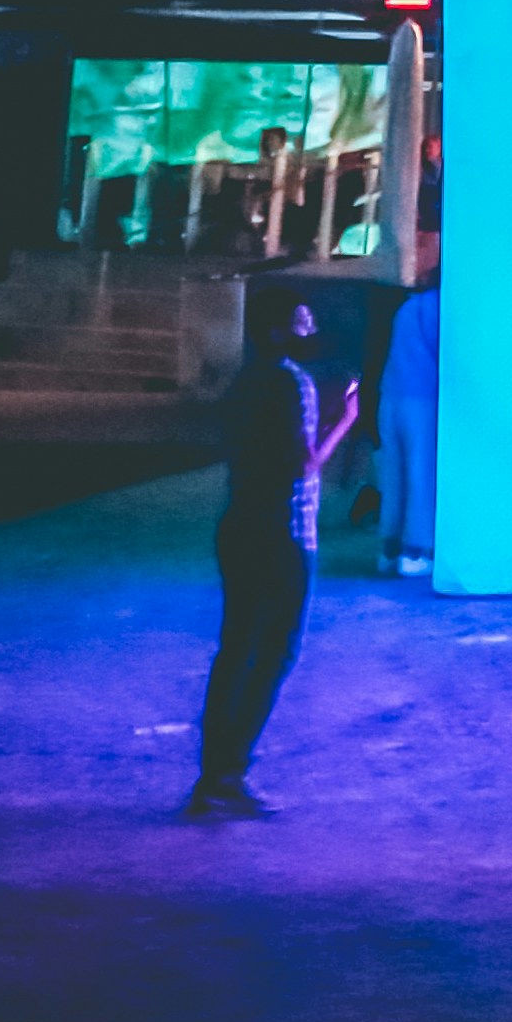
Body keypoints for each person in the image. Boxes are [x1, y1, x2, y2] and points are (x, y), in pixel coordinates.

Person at [185, 293, 360, 817]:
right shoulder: (292, 382)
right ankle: (229, 772)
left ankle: (214, 773)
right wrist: (344, 420)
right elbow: (303, 466)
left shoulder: (245, 381)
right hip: (283, 535)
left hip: (239, 525)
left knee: (236, 650)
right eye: (302, 321)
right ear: (281, 330)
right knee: (274, 654)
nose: (312, 329)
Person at [375, 259, 441, 584]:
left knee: (393, 473)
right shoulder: (444, 307)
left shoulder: (408, 306)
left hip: (391, 395)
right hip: (424, 400)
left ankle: (388, 548)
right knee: (421, 473)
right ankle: (416, 552)